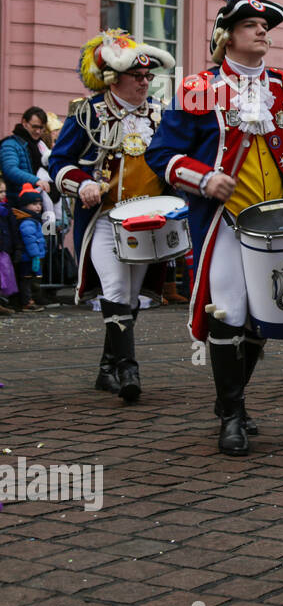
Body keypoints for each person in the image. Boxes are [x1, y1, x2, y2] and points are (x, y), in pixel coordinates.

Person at [146, 0, 283, 456]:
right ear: (227, 35)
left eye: (265, 25)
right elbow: (160, 151)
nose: (262, 31)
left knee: (262, 318)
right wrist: (204, 179)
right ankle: (230, 413)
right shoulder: (199, 88)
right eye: (250, 25)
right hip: (225, 222)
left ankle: (235, 401)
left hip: (277, 223)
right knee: (227, 313)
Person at [48, 31, 177, 399]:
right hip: (106, 218)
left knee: (132, 298)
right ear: (113, 78)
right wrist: (81, 184)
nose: (144, 81)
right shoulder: (88, 113)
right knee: (117, 289)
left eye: (149, 76)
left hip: (151, 222)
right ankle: (128, 370)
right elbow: (60, 162)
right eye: (137, 76)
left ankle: (107, 369)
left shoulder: (161, 114)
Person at [1, 107, 54, 309]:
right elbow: (10, 169)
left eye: (42, 128)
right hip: (17, 206)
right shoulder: (11, 145)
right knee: (18, 253)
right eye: (35, 127)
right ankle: (18, 298)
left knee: (29, 254)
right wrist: (36, 181)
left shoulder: (37, 146)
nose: (38, 131)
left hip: (31, 206)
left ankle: (31, 296)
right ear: (24, 123)